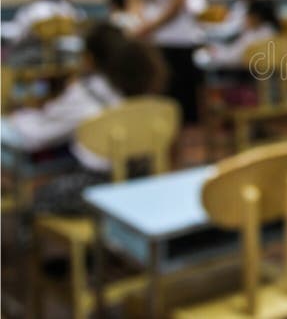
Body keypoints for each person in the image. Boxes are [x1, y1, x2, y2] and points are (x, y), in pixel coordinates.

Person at [3, 24, 166, 215]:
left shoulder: (87, 93)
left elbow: (38, 135)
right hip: (141, 180)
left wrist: (15, 120)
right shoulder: (141, 91)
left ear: (89, 58)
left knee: (33, 198)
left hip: (99, 189)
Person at [205, 0, 281, 67]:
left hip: (240, 70)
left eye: (247, 16)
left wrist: (214, 52)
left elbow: (232, 58)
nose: (245, 19)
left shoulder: (253, 36)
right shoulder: (271, 31)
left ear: (255, 17)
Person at [11, 0, 81, 43]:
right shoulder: (67, 6)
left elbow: (20, 28)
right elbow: (79, 22)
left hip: (37, 46)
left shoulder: (34, 8)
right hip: (66, 46)